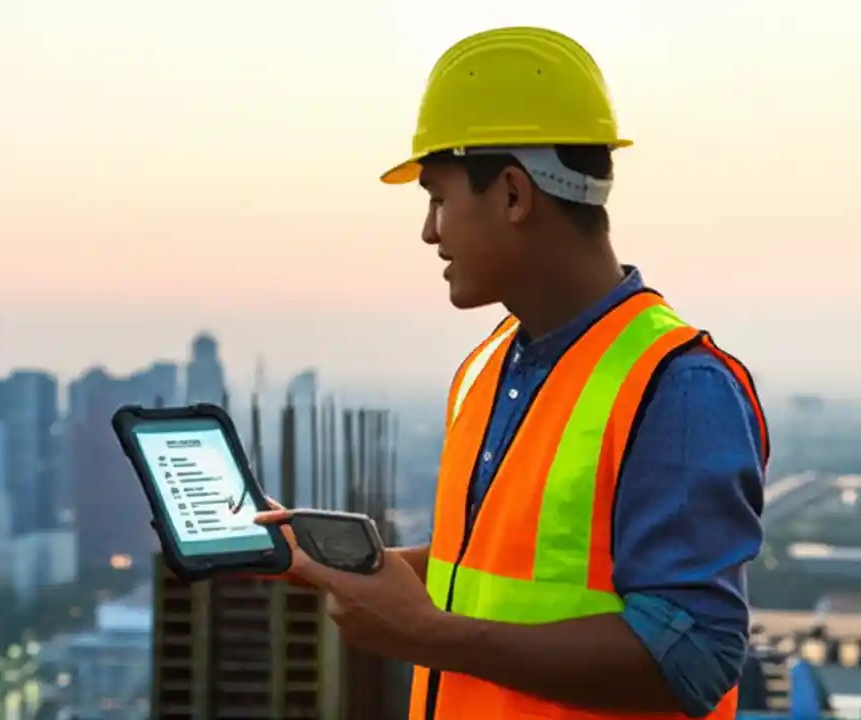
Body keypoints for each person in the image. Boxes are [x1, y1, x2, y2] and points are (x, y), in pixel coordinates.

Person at [256, 26, 770, 720]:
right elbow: (495, 570)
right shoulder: (490, 366)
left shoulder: (676, 385)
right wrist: (333, 561)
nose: (429, 232)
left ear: (512, 195)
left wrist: (426, 635)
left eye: (438, 198)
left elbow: (691, 657)